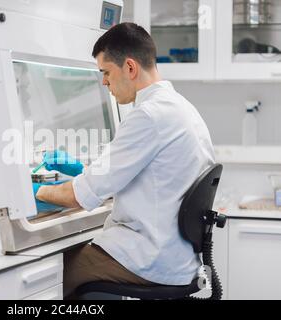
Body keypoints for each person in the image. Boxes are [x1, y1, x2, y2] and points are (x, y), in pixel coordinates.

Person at [32, 22, 215, 299]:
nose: (104, 82)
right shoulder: (180, 108)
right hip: (173, 257)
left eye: (105, 72)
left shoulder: (149, 116)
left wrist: (30, 192)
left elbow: (80, 197)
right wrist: (82, 170)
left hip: (148, 259)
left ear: (129, 68)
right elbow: (137, 177)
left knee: (46, 276)